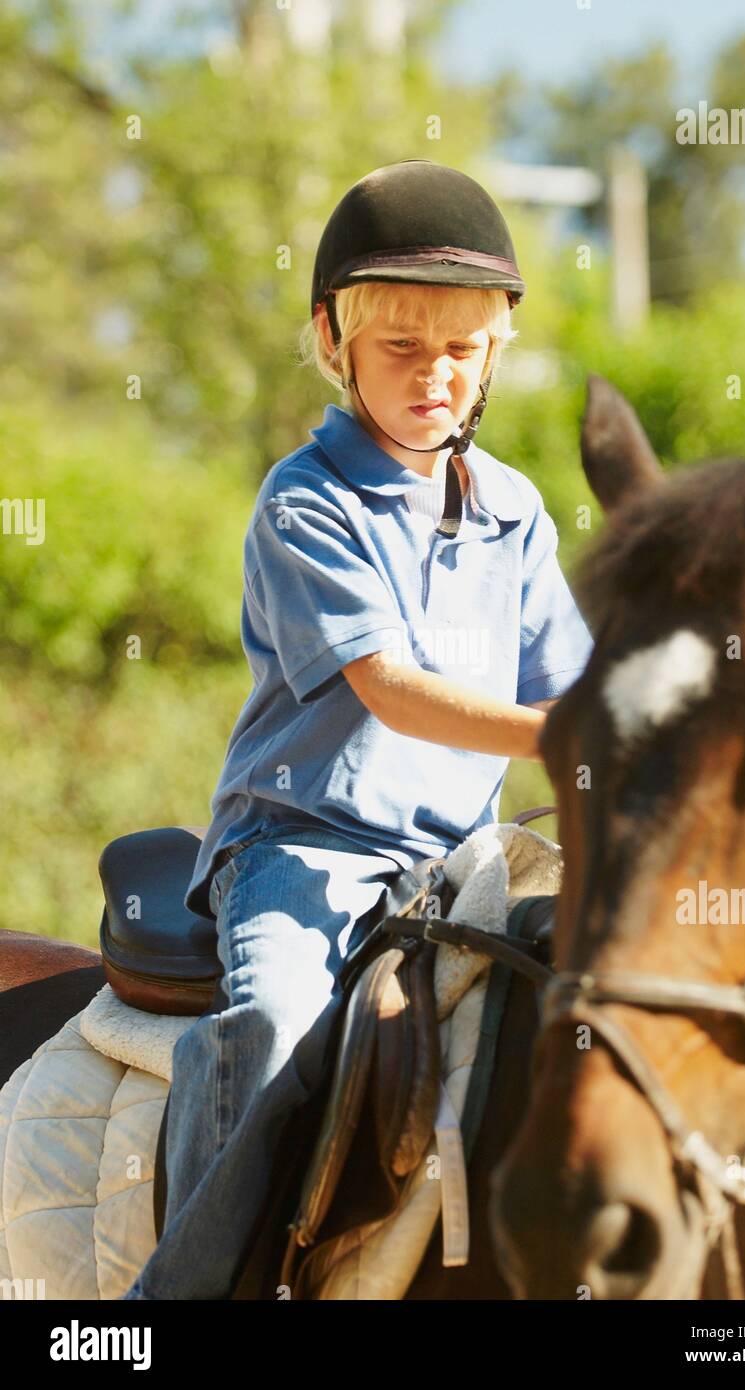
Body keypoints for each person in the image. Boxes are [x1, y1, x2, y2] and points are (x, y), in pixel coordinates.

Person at [120, 159, 594, 1300]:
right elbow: (392, 686)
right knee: (278, 1023)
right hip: (307, 846)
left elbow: (575, 684)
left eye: (461, 349)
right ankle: (180, 1293)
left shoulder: (516, 510)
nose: (435, 375)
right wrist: (569, 739)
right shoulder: (305, 500)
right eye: (401, 347)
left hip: (462, 858)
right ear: (335, 340)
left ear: (492, 356)